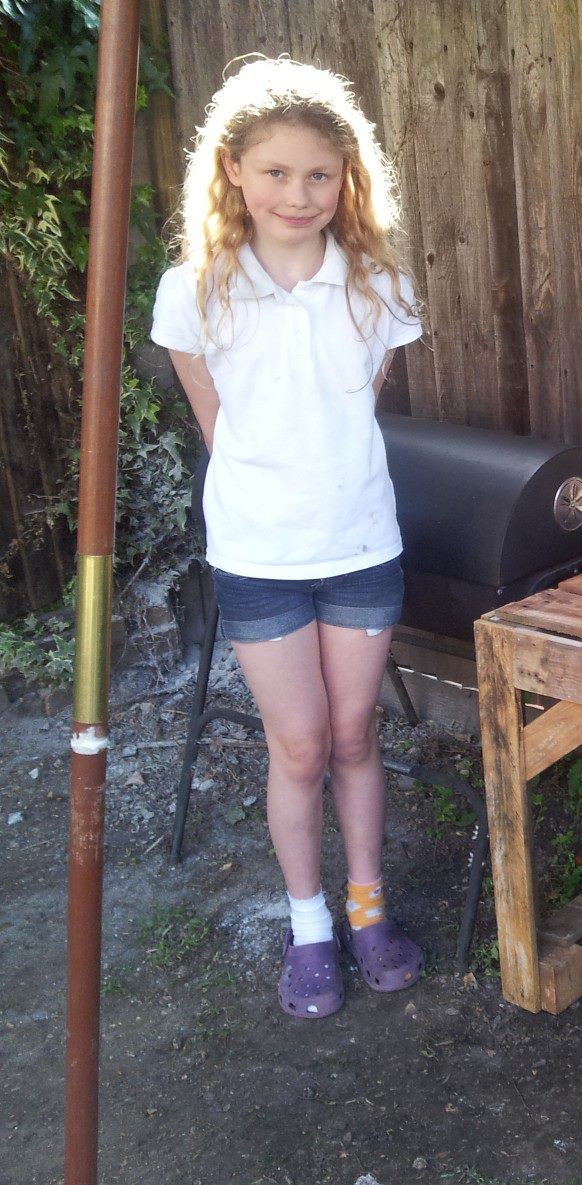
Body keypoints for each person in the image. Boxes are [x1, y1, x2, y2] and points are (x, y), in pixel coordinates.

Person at [152, 58, 423, 1019]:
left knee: (354, 736)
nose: (297, 195)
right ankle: (308, 924)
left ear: (346, 177)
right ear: (232, 171)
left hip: (359, 546)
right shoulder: (195, 290)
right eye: (275, 172)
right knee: (300, 745)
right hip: (260, 555)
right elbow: (219, 428)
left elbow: (356, 411)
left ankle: (367, 908)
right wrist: (273, 500)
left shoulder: (377, 284)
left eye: (319, 174)